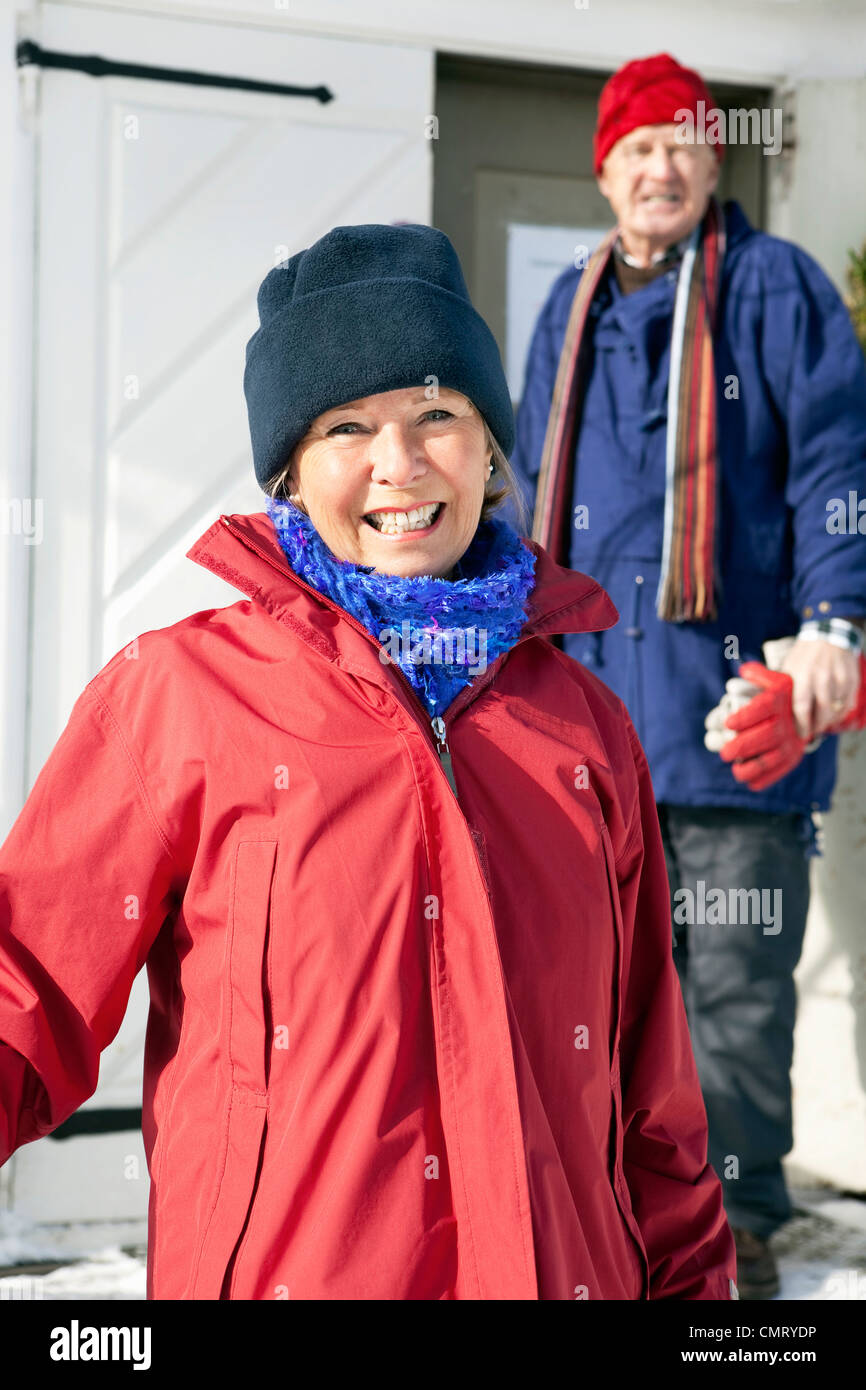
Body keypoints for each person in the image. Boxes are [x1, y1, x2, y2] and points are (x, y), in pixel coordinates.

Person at [0, 222, 736, 1301]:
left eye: (437, 413)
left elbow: (651, 1103)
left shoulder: (583, 727)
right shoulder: (180, 697)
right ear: (291, 472)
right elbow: (29, 989)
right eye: (346, 426)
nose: (399, 463)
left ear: (489, 450)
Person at [509, 53, 866, 1299]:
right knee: (593, 979)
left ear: (713, 161)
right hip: (586, 714)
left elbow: (832, 464)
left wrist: (837, 618)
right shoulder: (570, 303)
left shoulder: (777, 290)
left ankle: (740, 1223)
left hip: (728, 715)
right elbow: (519, 496)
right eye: (633, 148)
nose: (655, 167)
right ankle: (613, 1214)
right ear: (602, 171)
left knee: (728, 985)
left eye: (679, 144)